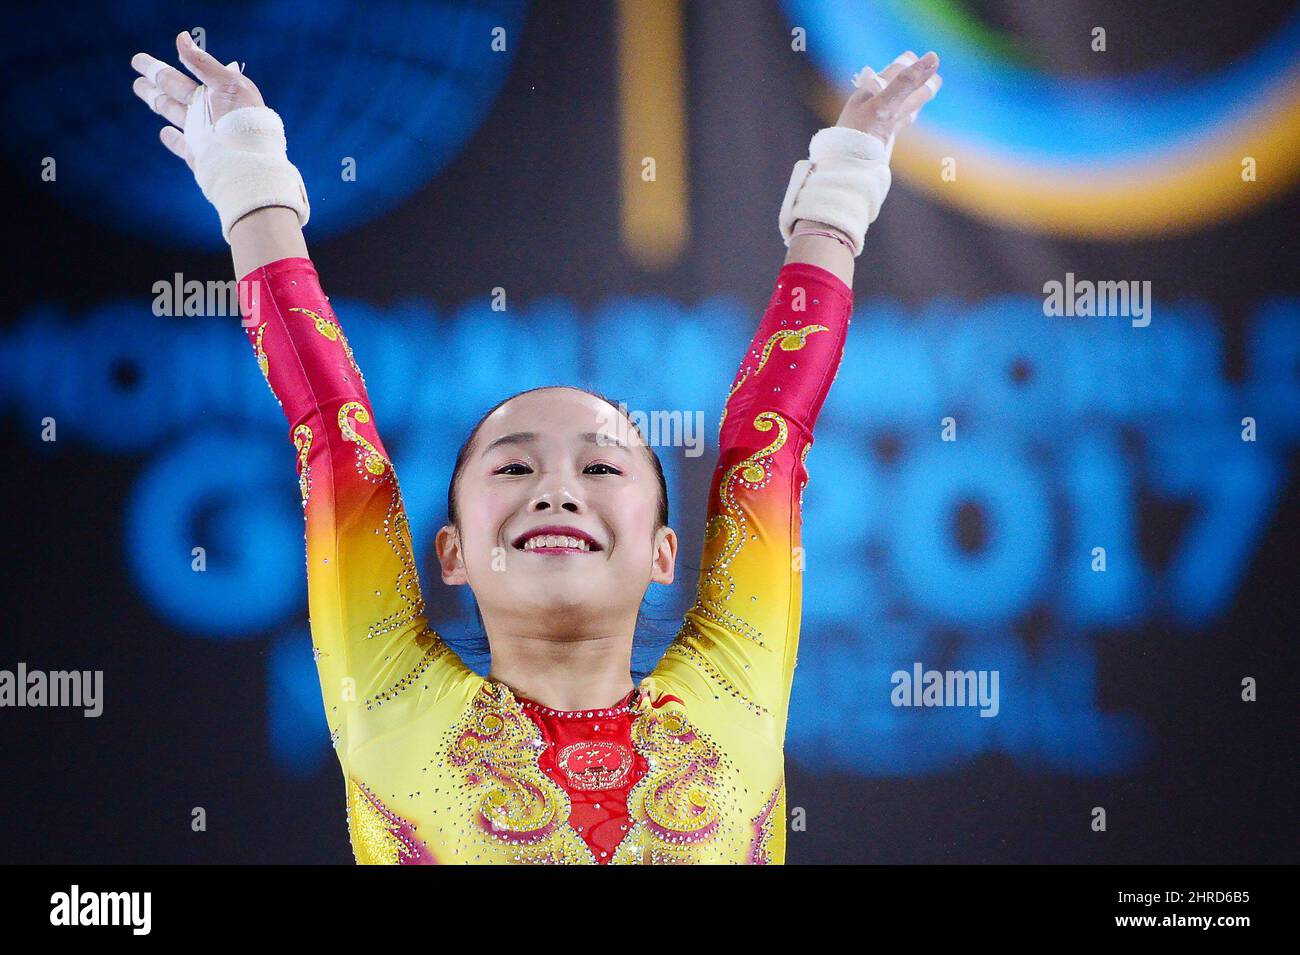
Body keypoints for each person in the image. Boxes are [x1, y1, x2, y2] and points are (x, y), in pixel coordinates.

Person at [130, 31, 941, 864]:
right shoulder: (392, 698)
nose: (557, 490)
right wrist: (249, 185)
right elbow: (334, 430)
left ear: (666, 552)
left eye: (600, 465)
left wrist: (839, 195)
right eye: (514, 466)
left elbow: (767, 444)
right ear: (450, 551)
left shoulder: (737, 687)